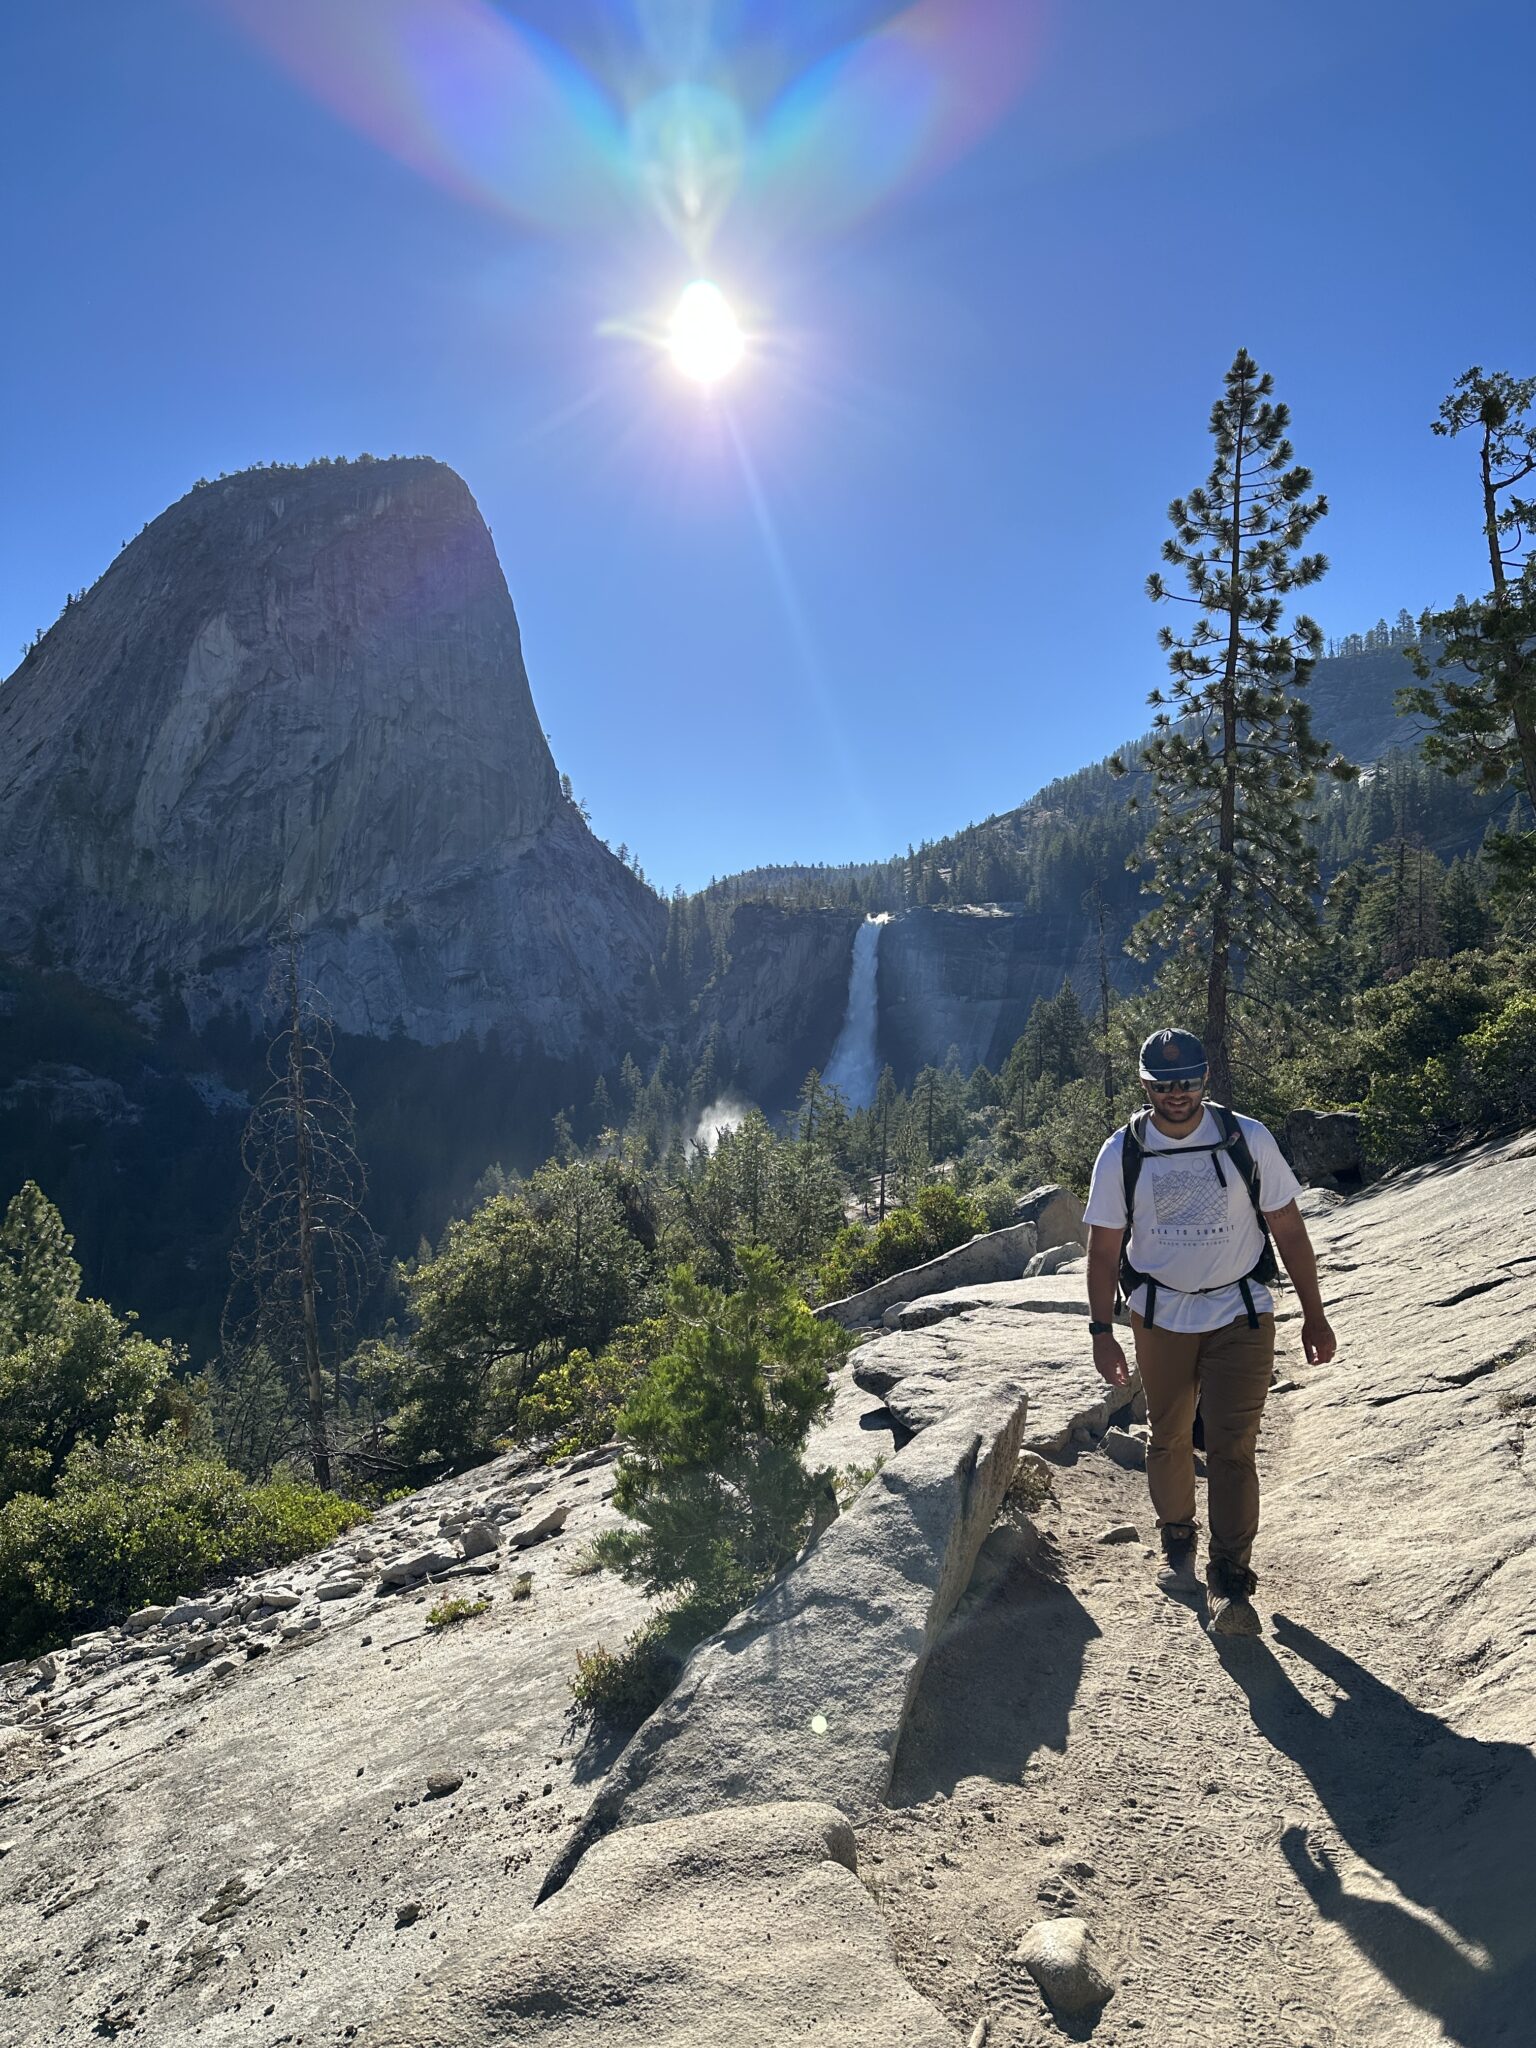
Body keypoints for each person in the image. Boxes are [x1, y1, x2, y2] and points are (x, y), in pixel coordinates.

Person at [1082, 1027, 1337, 1637]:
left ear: (1205, 1081)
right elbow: (1103, 1249)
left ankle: (1230, 1580)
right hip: (1159, 1315)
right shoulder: (1123, 1151)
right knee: (1167, 1435)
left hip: (1241, 1313)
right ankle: (1177, 1531)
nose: (1178, 1093)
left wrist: (1313, 1311)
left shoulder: (1245, 1138)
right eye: (1164, 1083)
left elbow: (1289, 1229)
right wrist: (1101, 1331)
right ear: (1146, 1086)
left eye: (1189, 1081)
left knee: (1232, 1445)